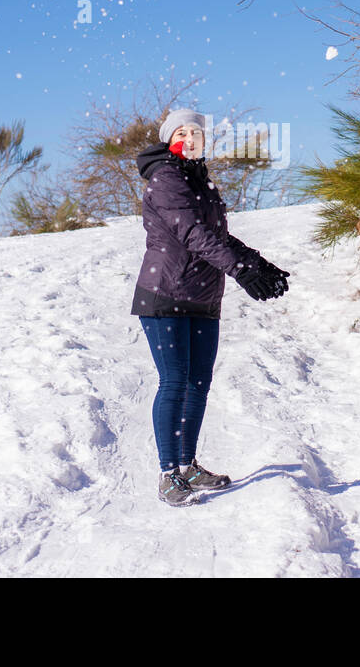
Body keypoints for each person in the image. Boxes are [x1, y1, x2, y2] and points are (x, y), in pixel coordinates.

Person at [131, 108, 291, 506]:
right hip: (165, 295)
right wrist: (240, 270)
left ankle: (188, 465)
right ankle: (169, 474)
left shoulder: (199, 180)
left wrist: (257, 263)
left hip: (203, 297)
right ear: (170, 139)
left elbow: (220, 234)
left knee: (198, 383)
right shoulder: (166, 178)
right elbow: (194, 235)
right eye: (181, 132)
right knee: (175, 381)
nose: (190, 137)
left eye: (196, 132)